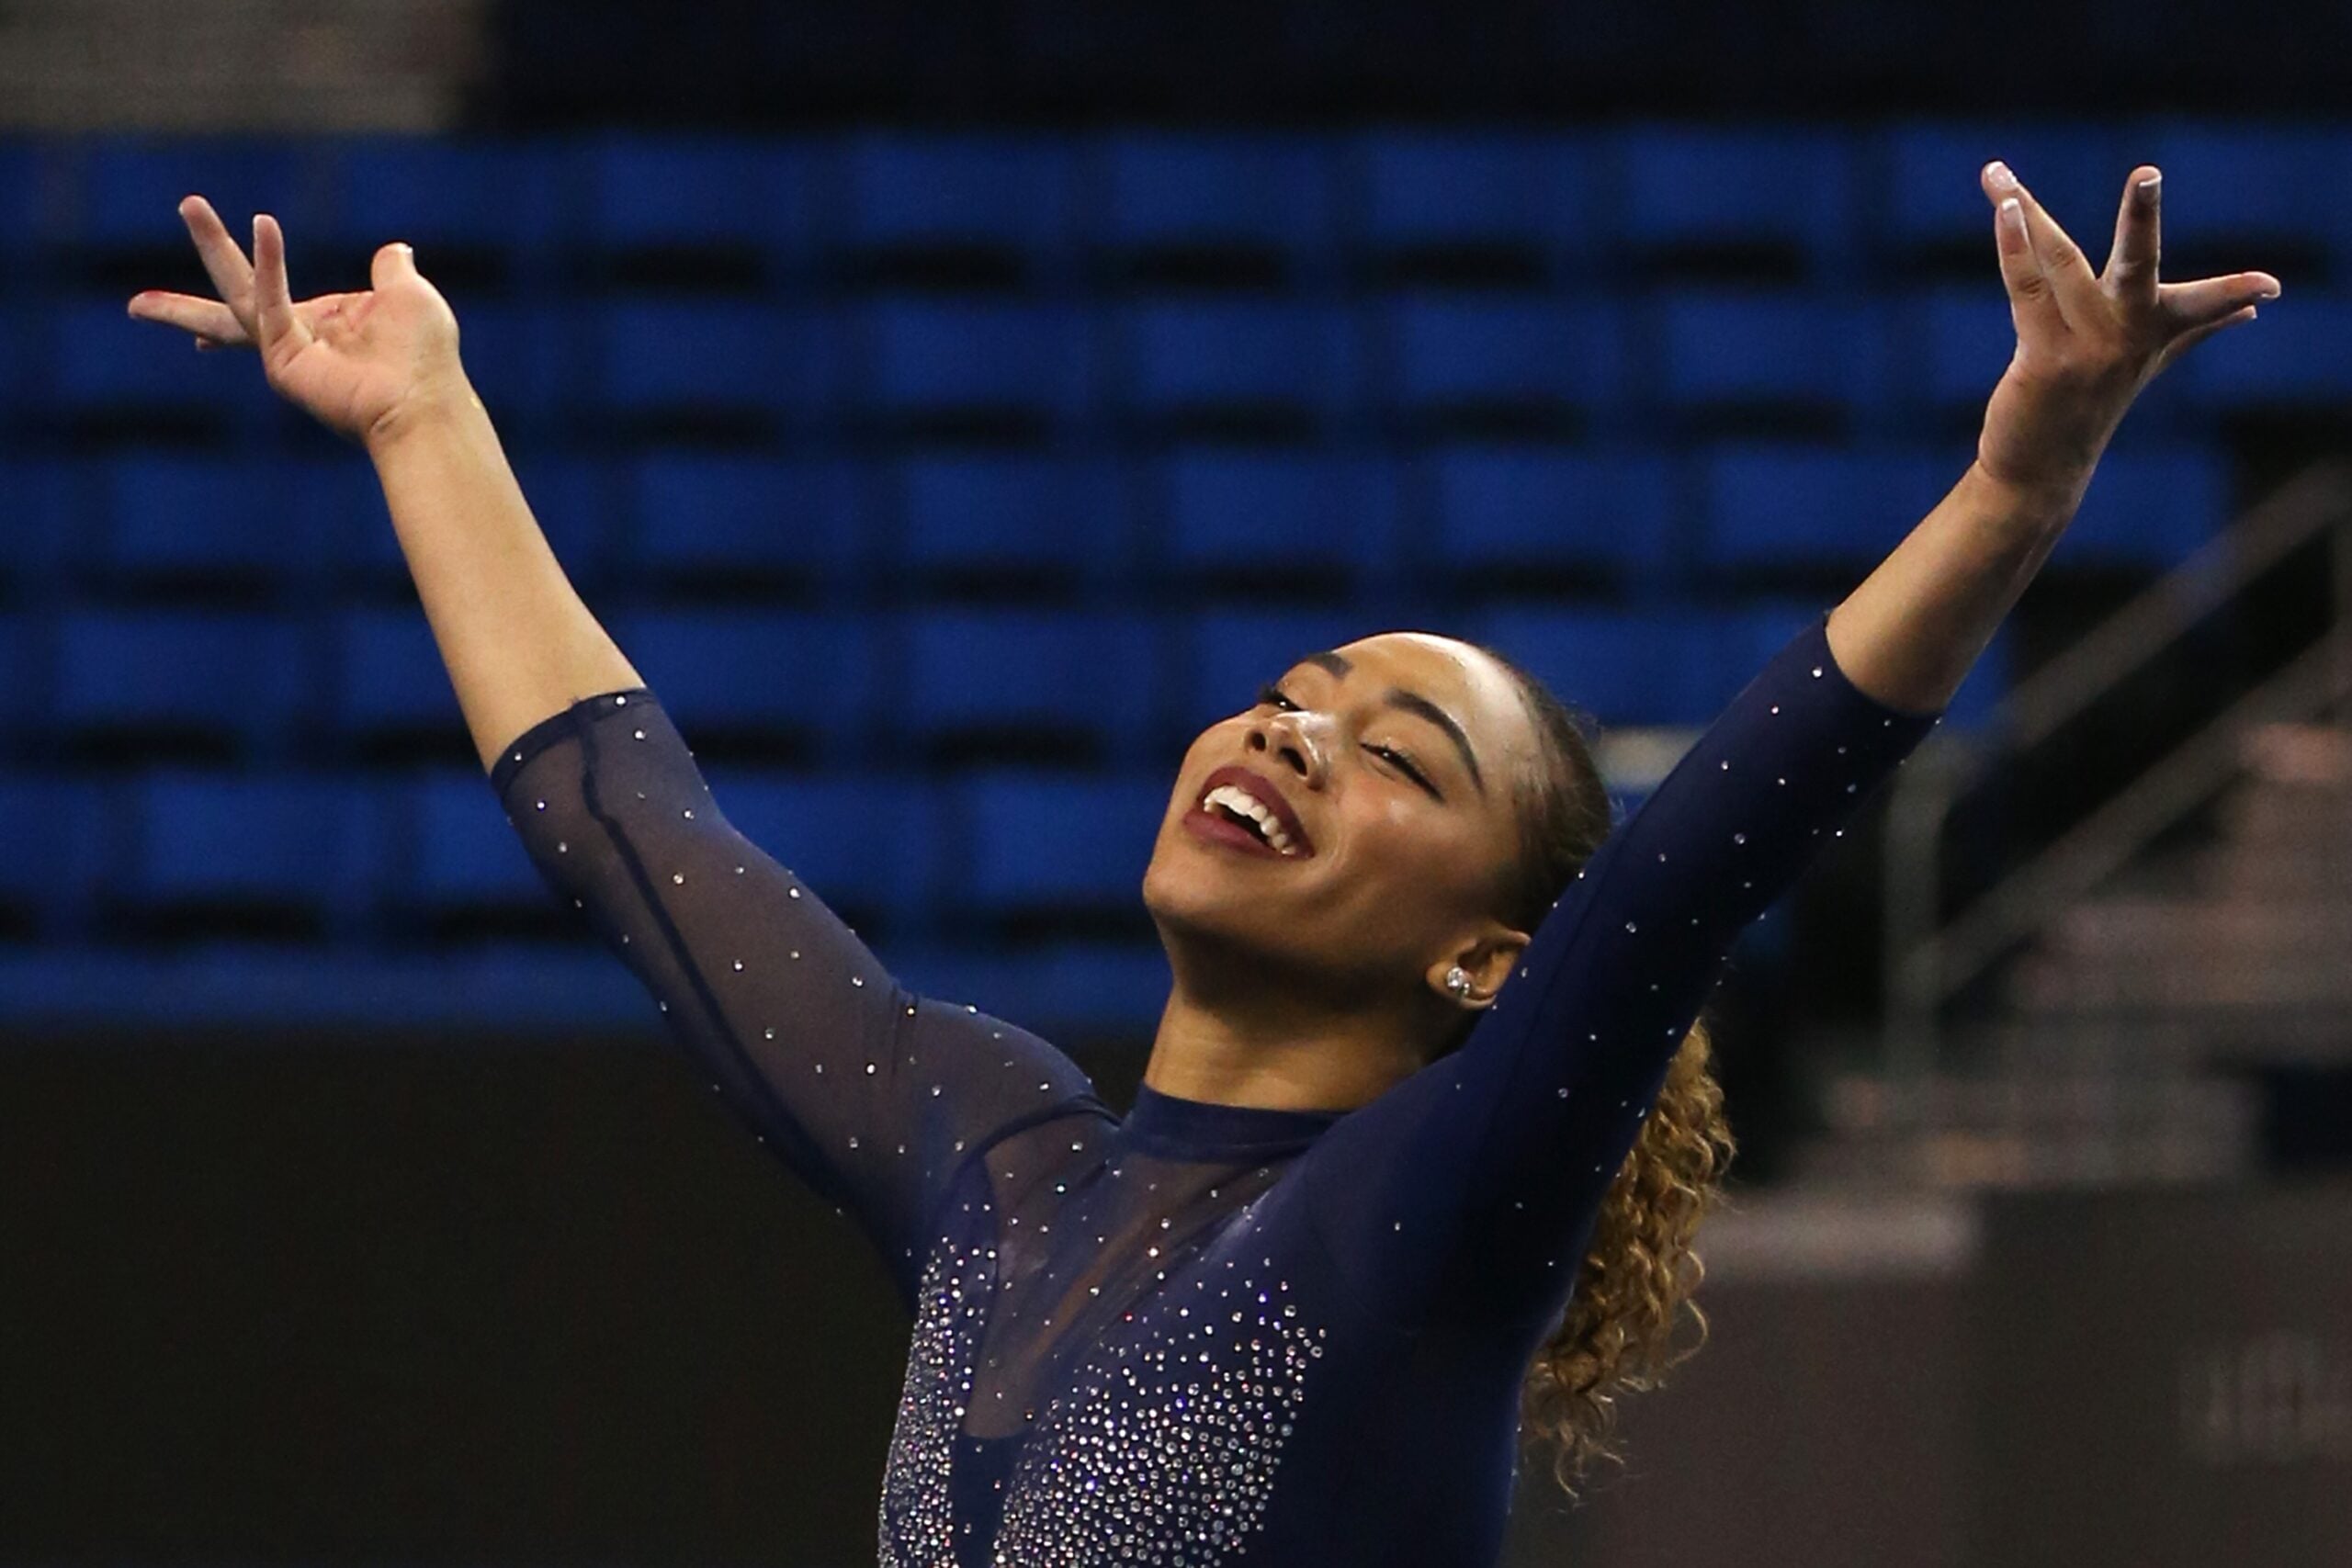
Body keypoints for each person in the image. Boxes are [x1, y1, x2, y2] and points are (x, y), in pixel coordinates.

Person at [130, 159, 2278, 1567]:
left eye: (1396, 754)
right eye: (1293, 690)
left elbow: (1711, 849)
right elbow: (636, 833)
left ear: (1484, 958)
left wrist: (2012, 486)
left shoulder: (1422, 1216)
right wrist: (425, 422)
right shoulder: (991, 1150)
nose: (1291, 732)